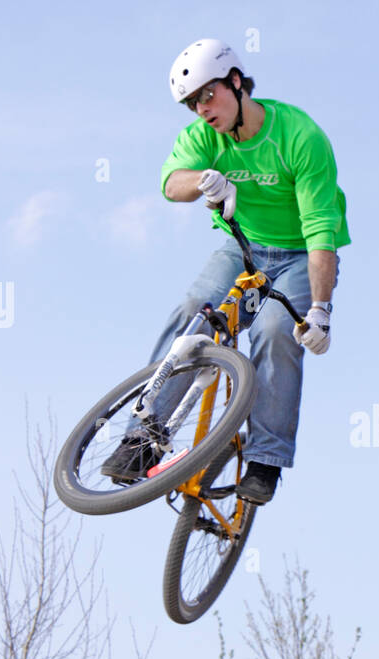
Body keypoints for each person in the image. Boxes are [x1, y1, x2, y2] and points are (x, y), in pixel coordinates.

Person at [101, 38, 350, 504]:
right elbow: (171, 184)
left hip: (300, 254)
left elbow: (321, 230)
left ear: (236, 81)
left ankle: (266, 460)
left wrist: (320, 310)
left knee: (278, 330)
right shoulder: (205, 137)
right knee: (195, 309)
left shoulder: (299, 135)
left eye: (208, 95)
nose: (201, 108)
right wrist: (202, 180)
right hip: (244, 247)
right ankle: (142, 437)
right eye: (192, 103)